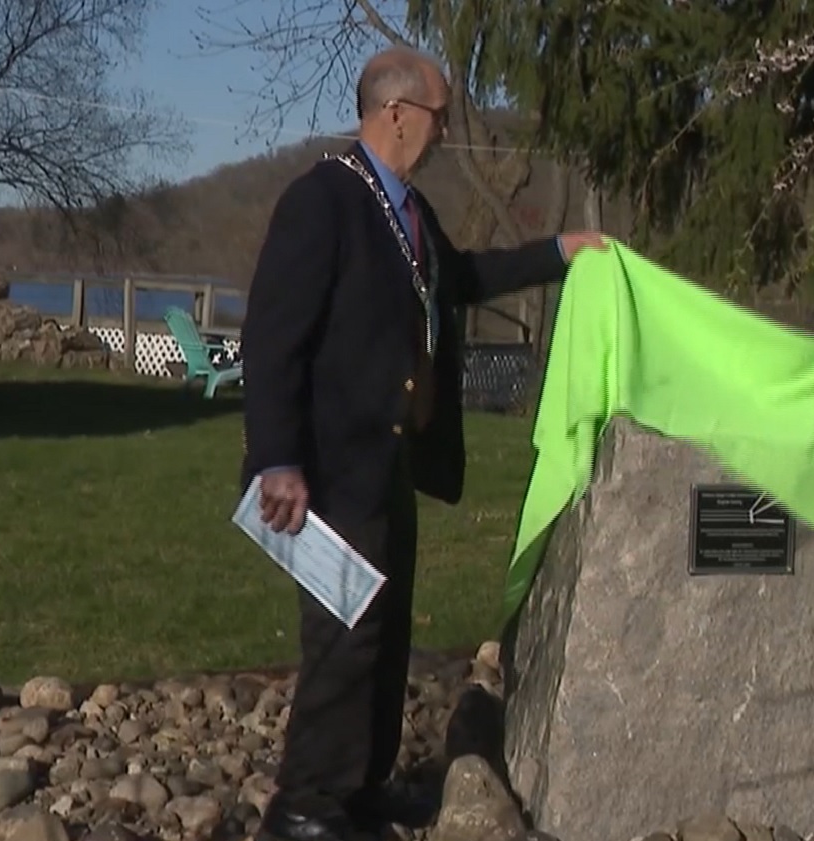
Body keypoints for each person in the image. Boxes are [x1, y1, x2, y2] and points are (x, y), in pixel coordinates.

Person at [239, 47, 605, 841]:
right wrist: (279, 459)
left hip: (388, 465)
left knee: (386, 630)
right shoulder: (326, 200)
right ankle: (304, 806)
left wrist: (559, 253)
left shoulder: (406, 209)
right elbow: (272, 340)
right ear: (396, 113)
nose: (447, 133)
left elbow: (462, 278)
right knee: (343, 640)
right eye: (441, 116)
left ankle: (363, 787)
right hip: (328, 472)